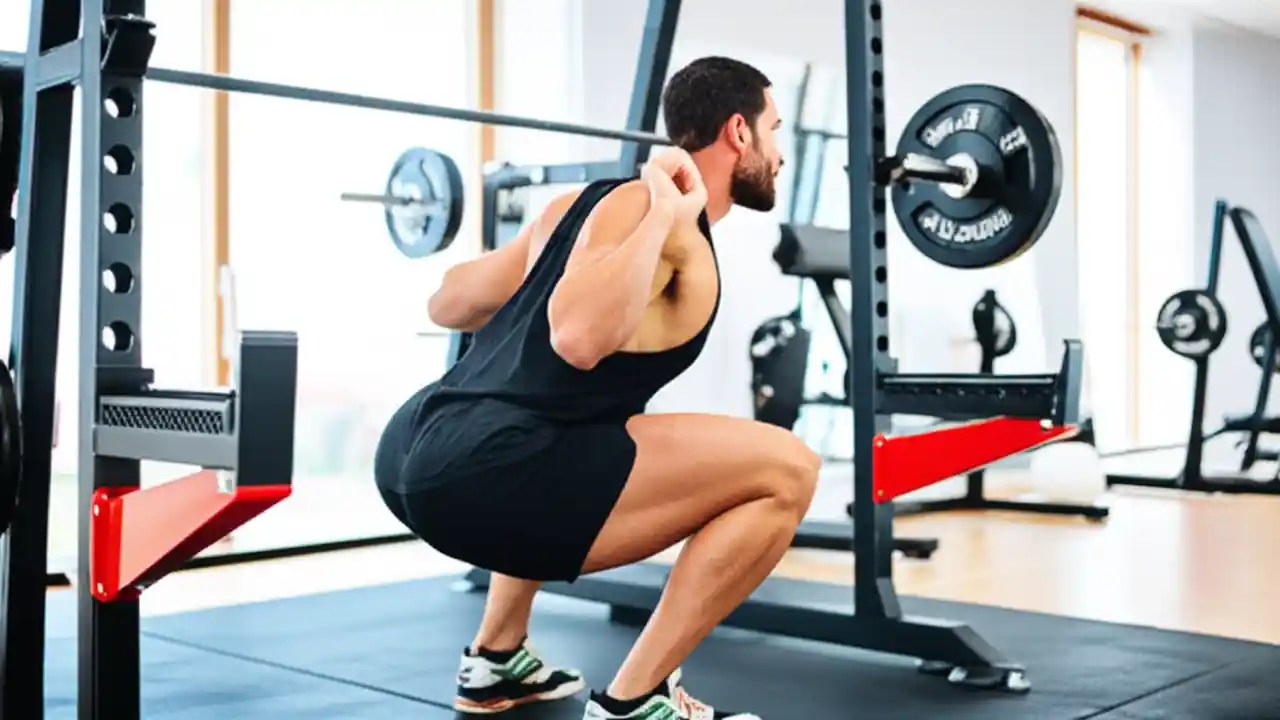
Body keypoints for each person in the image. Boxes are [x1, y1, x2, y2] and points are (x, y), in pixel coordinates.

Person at [374, 56, 820, 720]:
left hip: (412, 448)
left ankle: (496, 659)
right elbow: (578, 338)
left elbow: (450, 303)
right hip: (479, 474)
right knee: (790, 470)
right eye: (774, 130)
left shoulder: (572, 209)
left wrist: (550, 268)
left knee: (575, 424)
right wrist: (660, 217)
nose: (779, 153)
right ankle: (635, 701)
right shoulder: (664, 226)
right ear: (738, 132)